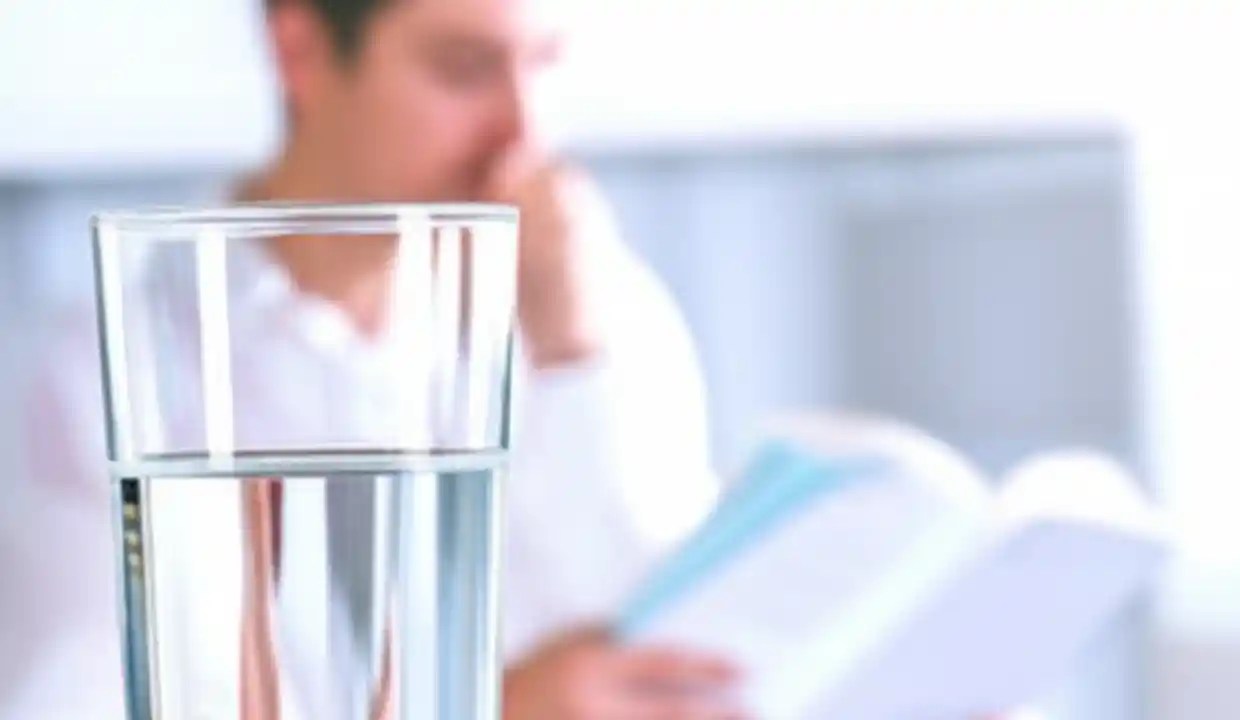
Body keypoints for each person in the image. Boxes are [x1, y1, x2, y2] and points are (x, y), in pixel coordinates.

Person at [4, 0, 737, 717]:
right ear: (301, 52)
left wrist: (576, 363)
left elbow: (692, 658)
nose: (524, 131)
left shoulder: (602, 311)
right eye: (465, 69)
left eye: (542, 65)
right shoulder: (110, 374)